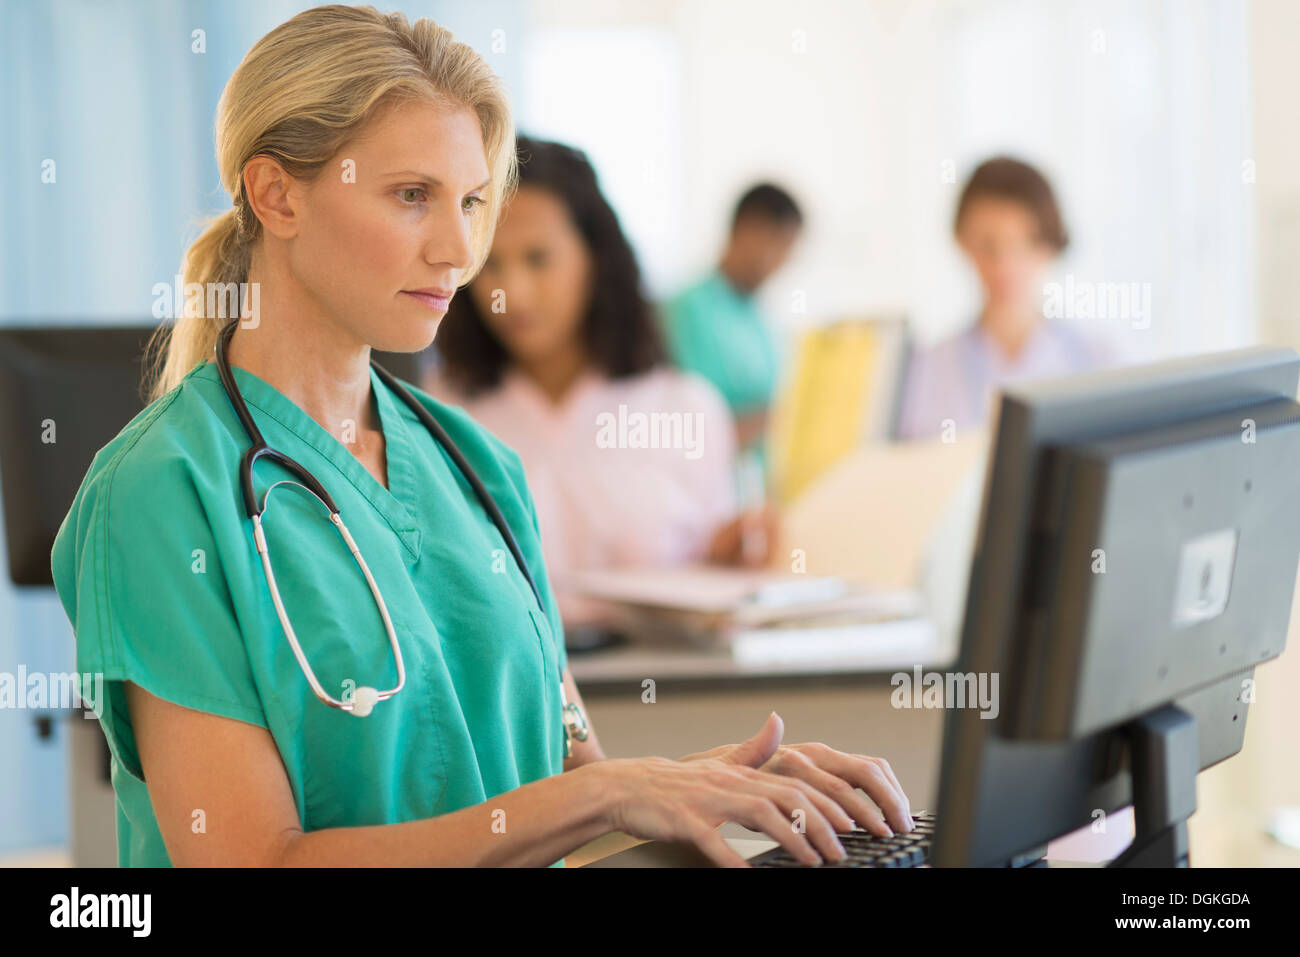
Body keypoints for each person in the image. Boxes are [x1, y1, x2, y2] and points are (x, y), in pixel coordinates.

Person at [50, 5, 911, 868]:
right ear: (277, 194)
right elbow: (254, 863)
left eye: (469, 201)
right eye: (412, 196)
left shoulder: (477, 465)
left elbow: (569, 789)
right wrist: (608, 791)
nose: (460, 250)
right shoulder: (161, 492)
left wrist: (719, 786)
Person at [425, 136, 776, 632]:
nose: (513, 293)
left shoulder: (685, 408)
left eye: (539, 258)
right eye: (492, 264)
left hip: (659, 691)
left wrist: (734, 555)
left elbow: (717, 582)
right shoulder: (438, 411)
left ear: (595, 258)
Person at [896, 156, 1119, 441]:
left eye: (1025, 244)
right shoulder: (922, 371)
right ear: (962, 242)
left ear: (1050, 244)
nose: (1005, 265)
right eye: (988, 245)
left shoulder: (1100, 362)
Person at [661, 183, 803, 458]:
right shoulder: (687, 309)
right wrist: (776, 420)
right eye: (781, 245)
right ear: (747, 230)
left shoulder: (760, 319)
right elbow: (686, 432)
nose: (784, 263)